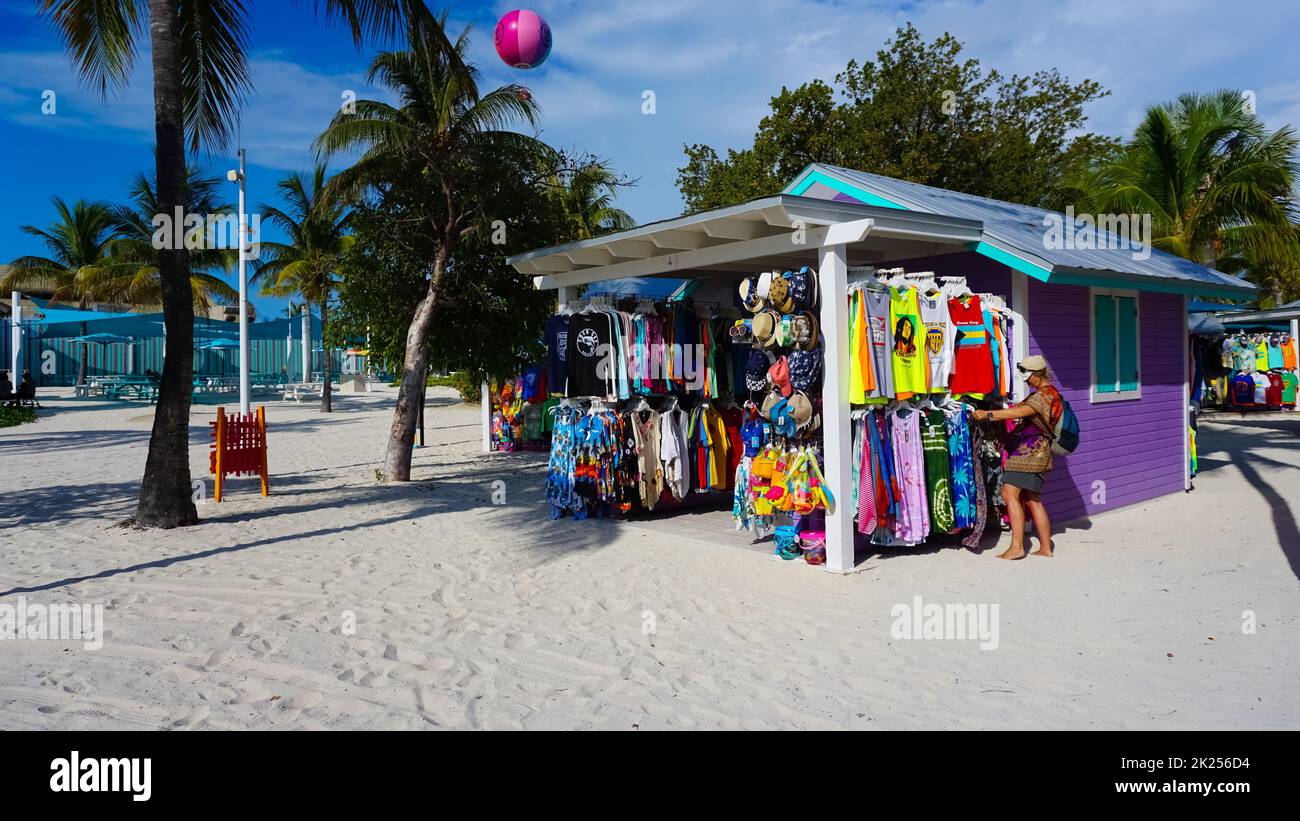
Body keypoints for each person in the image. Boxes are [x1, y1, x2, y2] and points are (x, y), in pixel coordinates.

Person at [970, 355, 1062, 560]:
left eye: (1028, 377)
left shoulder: (1043, 396)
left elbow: (1018, 412)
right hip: (1039, 452)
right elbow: (1017, 409)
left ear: (1038, 374)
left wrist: (987, 414)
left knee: (1009, 493)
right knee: (1032, 499)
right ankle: (1045, 548)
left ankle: (1017, 547)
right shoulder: (1048, 394)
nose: (1027, 381)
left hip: (1030, 453)